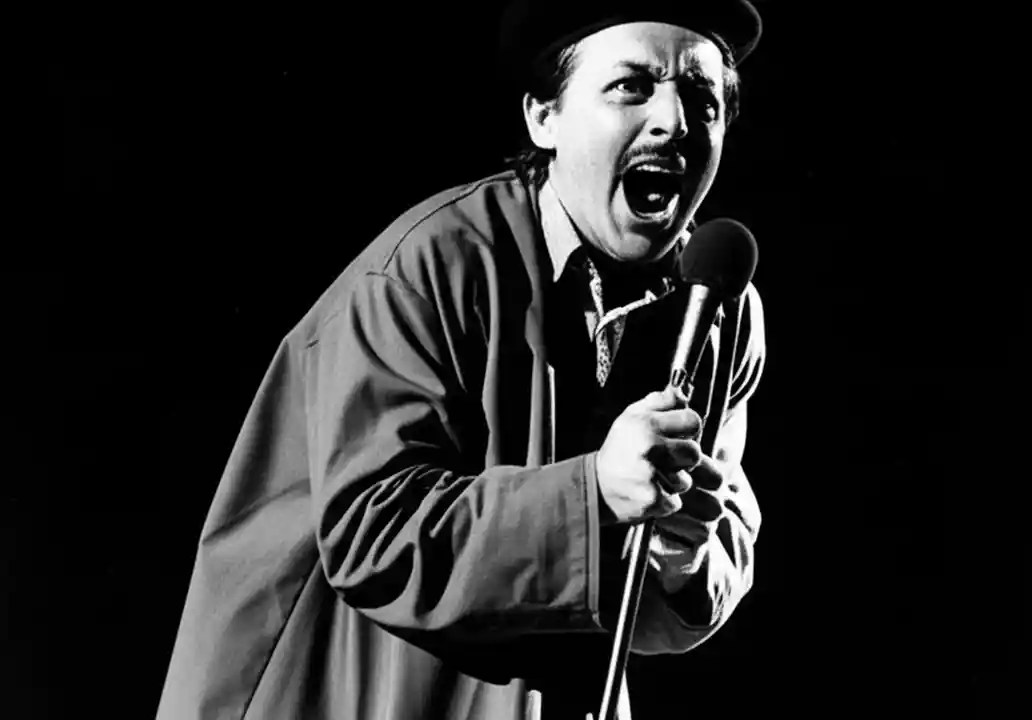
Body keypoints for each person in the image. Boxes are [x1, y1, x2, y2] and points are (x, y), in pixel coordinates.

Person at [156, 1, 767, 718]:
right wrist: (595, 491)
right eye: (632, 86)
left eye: (701, 98)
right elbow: (372, 534)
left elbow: (700, 563)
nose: (676, 122)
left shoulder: (717, 308)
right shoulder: (425, 268)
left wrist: (682, 558)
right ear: (544, 118)